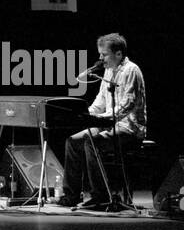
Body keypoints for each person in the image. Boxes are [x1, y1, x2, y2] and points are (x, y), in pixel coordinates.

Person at [53, 32, 147, 210]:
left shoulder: (131, 70)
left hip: (130, 128)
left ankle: (100, 196)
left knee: (92, 141)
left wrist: (101, 119)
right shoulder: (109, 70)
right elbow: (100, 102)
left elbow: (128, 104)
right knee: (73, 141)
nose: (100, 58)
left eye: (104, 54)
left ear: (118, 54)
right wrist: (84, 115)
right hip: (109, 124)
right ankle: (71, 195)